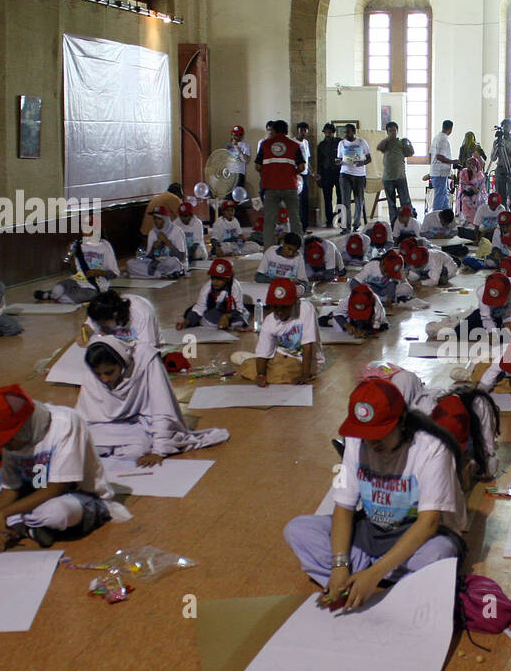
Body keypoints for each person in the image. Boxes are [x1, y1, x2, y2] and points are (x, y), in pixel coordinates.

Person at [284, 379, 463, 611]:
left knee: (439, 554)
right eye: (365, 434)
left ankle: (369, 575)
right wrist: (339, 565)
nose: (371, 442)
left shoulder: (432, 449)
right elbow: (344, 508)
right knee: (298, 530)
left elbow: (428, 523)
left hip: (415, 537)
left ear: (401, 422)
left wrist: (374, 574)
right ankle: (374, 576)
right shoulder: (357, 442)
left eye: (380, 434)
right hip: (370, 532)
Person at [0, 385, 121, 550]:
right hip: (31, 489)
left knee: (56, 512)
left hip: (73, 494)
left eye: (8, 438)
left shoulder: (65, 423)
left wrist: (4, 513)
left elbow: (58, 487)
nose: (5, 445)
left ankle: (18, 522)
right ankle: (26, 527)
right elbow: (10, 489)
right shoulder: (12, 440)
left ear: (25, 426)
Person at [79, 336, 229, 465]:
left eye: (109, 372)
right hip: (105, 426)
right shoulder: (92, 373)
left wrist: (159, 450)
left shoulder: (145, 360)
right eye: (98, 374)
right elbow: (85, 418)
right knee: (83, 447)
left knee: (137, 451)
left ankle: (117, 449)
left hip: (140, 423)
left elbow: (162, 408)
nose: (104, 379)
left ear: (122, 363)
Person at [247, 278, 322, 386]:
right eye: (275, 307)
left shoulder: (306, 309)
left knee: (280, 373)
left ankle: (268, 366)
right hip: (281, 356)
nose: (280, 312)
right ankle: (265, 366)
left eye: (284, 307)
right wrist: (260, 376)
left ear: (295, 302)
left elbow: (307, 346)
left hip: (305, 361)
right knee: (251, 367)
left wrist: (305, 375)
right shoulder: (269, 321)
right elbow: (263, 353)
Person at [37, 224, 119, 304]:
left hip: (94, 286)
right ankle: (52, 295)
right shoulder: (77, 245)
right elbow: (72, 269)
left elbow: (114, 274)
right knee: (57, 290)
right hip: (76, 280)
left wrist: (97, 272)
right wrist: (71, 255)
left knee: (65, 299)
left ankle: (50, 295)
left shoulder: (105, 246)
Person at [256, 120, 305, 244]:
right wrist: (291, 173)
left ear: (274, 130)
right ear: (287, 131)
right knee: (294, 219)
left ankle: (268, 250)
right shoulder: (294, 145)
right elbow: (302, 167)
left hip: (271, 188)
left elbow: (257, 166)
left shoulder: (265, 145)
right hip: (290, 187)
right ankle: (298, 247)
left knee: (269, 221)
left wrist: (268, 173)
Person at [178, 258, 249, 331]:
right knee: (205, 320)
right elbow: (199, 309)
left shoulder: (235, 287)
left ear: (228, 279)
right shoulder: (207, 288)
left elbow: (238, 309)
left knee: (240, 319)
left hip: (230, 311)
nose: (215, 282)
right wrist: (186, 322)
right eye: (213, 278)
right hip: (213, 310)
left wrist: (227, 316)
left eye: (219, 279)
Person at [86, 290, 161, 348]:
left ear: (115, 315)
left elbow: (148, 348)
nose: (100, 325)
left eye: (102, 323)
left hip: (143, 348)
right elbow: (87, 327)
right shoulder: (99, 311)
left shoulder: (141, 313)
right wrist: (85, 335)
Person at [129, 206, 187, 278]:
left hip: (169, 263)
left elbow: (182, 258)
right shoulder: (152, 232)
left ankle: (152, 275)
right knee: (130, 263)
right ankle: (161, 275)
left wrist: (167, 242)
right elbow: (148, 257)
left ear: (165, 219)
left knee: (173, 261)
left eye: (159, 218)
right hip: (156, 265)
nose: (156, 221)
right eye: (154, 218)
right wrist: (153, 248)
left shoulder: (177, 231)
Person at [336, 122, 371, 232]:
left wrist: (361, 163)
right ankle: (346, 226)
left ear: (354, 132)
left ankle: (356, 224)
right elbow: (338, 158)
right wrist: (338, 162)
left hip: (359, 175)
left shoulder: (362, 142)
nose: (346, 134)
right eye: (345, 132)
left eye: (348, 132)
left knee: (359, 200)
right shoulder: (341, 143)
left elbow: (369, 158)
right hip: (345, 173)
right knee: (345, 201)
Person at [376, 121, 414, 222]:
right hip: (388, 178)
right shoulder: (385, 143)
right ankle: (393, 222)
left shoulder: (401, 143)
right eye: (390, 131)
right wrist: (388, 139)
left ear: (397, 131)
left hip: (400, 177)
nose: (393, 132)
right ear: (387, 132)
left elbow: (411, 153)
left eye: (394, 130)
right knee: (391, 203)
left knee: (405, 201)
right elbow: (378, 147)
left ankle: (409, 221)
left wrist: (408, 143)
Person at [316, 122, 342, 229]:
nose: (328, 135)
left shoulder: (339, 142)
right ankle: (329, 220)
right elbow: (319, 161)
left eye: (330, 133)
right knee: (327, 198)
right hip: (326, 173)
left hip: (338, 172)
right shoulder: (321, 145)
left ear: (333, 133)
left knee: (340, 196)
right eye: (326, 133)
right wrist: (318, 175)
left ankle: (340, 219)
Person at [428, 119, 455, 212]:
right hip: (440, 173)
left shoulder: (436, 137)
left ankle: (446, 217)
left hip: (438, 172)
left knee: (444, 197)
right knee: (439, 197)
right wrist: (453, 162)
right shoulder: (443, 139)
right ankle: (436, 217)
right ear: (450, 129)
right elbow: (439, 156)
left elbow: (431, 155)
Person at [457, 153, 489, 226]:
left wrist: (474, 174)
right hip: (467, 192)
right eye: (469, 164)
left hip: (478, 193)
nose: (470, 166)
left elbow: (480, 187)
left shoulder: (480, 175)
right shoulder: (464, 172)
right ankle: (467, 218)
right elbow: (464, 184)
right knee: (465, 199)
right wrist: (471, 187)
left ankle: (476, 219)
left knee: (476, 200)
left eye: (472, 164)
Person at [295, 121, 313, 229]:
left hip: (305, 174)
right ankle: (297, 225)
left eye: (305, 131)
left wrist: (313, 172)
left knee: (304, 200)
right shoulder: (292, 142)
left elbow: (307, 160)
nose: (303, 133)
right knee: (296, 200)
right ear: (298, 131)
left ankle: (304, 226)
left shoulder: (306, 143)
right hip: (296, 174)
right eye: (301, 131)